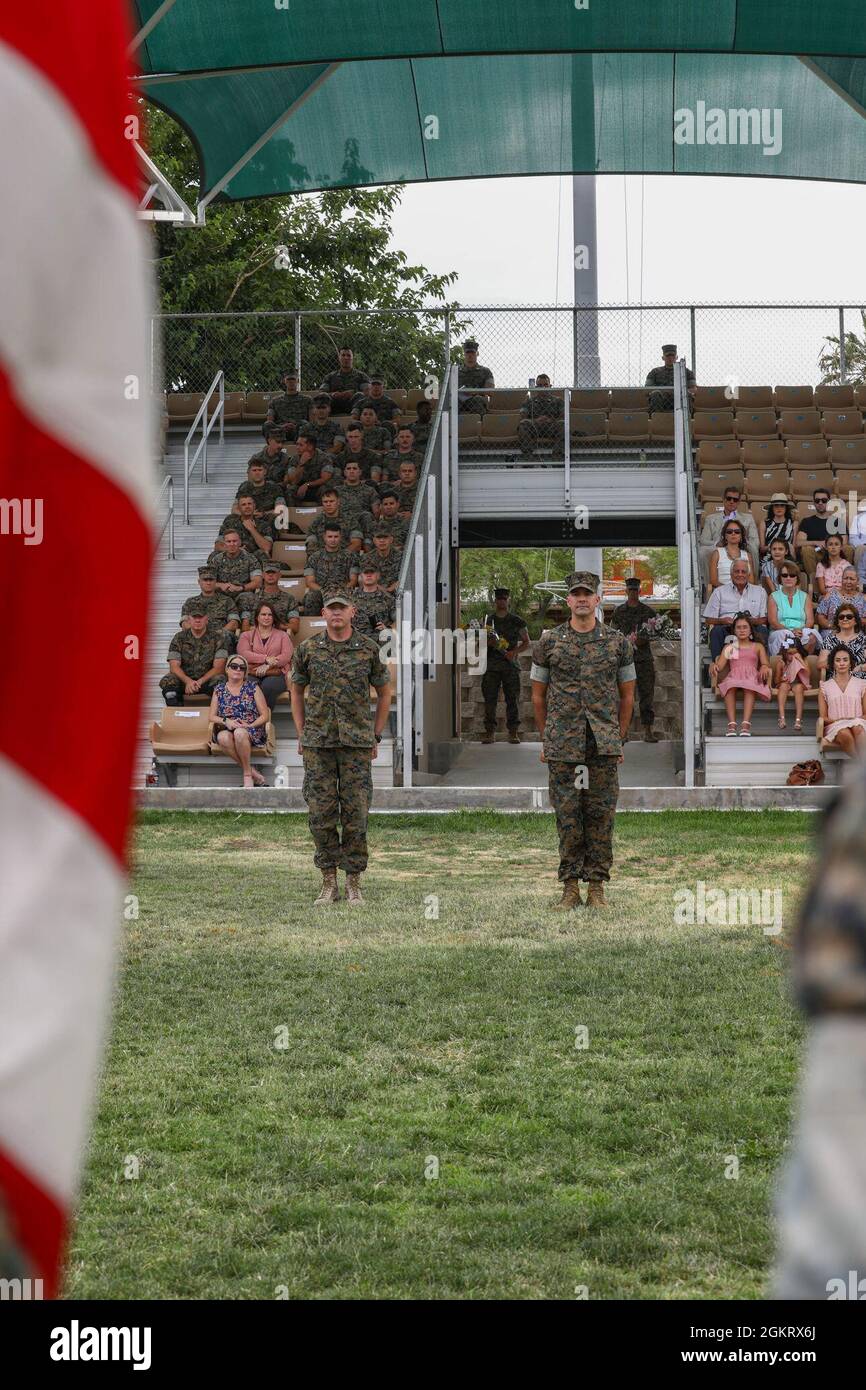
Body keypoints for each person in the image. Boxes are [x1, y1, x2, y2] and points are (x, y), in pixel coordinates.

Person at [530, 571, 636, 909]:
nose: (581, 599)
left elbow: (628, 696)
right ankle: (570, 887)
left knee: (600, 815)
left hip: (602, 743)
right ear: (567, 601)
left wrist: (618, 738)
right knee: (568, 815)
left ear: (597, 600)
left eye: (587, 594)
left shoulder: (617, 642)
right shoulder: (549, 642)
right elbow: (537, 696)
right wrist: (548, 739)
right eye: (575, 594)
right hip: (564, 743)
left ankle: (597, 889)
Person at [291, 591, 391, 905]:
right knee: (320, 815)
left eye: (341, 609)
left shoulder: (368, 649)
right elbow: (296, 691)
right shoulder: (308, 649)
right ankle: (328, 882)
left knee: (356, 815)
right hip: (318, 744)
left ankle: (354, 882)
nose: (336, 614)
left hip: (356, 745)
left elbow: (385, 693)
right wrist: (301, 732)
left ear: (352, 612)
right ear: (323, 613)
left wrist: (374, 735)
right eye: (331, 610)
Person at [609, 576, 660, 742]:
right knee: (626, 697)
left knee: (647, 696)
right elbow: (612, 633)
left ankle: (648, 731)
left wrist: (642, 640)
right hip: (625, 660)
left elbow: (656, 632)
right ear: (626, 591)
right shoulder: (619, 611)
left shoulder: (648, 611)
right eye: (630, 590)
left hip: (643, 659)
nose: (632, 593)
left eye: (635, 590)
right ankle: (624, 732)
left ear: (639, 591)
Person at [210, 654, 270, 788]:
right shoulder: (219, 689)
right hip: (227, 727)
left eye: (242, 668)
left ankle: (247, 775)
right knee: (223, 737)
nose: (238, 669)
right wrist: (227, 721)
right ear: (227, 669)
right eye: (234, 666)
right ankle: (252, 772)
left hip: (251, 728)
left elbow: (265, 715)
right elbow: (212, 716)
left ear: (245, 672)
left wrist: (250, 725)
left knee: (240, 733)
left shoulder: (253, 688)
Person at [480, 587, 530, 745]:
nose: (502, 601)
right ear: (495, 601)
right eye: (499, 599)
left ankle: (513, 733)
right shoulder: (488, 621)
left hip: (510, 666)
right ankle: (489, 733)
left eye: (504, 599)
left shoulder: (517, 621)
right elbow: (479, 643)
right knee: (489, 700)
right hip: (491, 666)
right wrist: (486, 642)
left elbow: (526, 642)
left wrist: (514, 652)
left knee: (512, 700)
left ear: (508, 600)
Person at [710, 614, 771, 737]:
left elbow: (765, 663)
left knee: (749, 687)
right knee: (729, 686)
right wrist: (713, 665)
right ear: (734, 630)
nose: (742, 630)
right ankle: (732, 724)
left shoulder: (757, 646)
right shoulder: (730, 647)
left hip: (751, 676)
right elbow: (720, 665)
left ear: (750, 630)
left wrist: (764, 666)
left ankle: (745, 723)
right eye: (738, 627)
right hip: (735, 676)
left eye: (745, 627)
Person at [160, 605, 228, 706]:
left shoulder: (218, 638)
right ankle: (175, 712)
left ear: (207, 619)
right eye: (194, 617)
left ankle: (217, 716)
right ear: (189, 620)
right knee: (168, 680)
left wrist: (199, 682)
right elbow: (174, 667)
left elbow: (219, 668)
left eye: (201, 617)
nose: (197, 620)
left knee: (221, 680)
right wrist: (188, 681)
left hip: (207, 681)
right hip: (184, 681)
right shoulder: (179, 638)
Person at [703, 558, 768, 659]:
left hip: (752, 628)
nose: (740, 574)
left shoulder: (760, 592)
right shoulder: (719, 591)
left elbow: (764, 619)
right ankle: (719, 666)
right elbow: (708, 619)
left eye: (743, 572)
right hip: (727, 627)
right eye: (737, 571)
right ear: (731, 574)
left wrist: (750, 622)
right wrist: (722, 620)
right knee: (716, 631)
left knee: (762, 630)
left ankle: (761, 667)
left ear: (749, 574)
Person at [237, 601, 294, 710]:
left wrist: (268, 665)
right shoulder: (246, 635)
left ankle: (264, 718)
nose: (267, 617)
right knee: (249, 685)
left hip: (276, 673)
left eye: (270, 615)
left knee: (269, 686)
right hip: (253, 672)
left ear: (273, 617)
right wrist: (266, 659)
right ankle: (250, 717)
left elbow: (286, 655)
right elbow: (243, 653)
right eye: (263, 614)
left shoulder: (283, 635)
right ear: (257, 617)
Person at [699, 485, 759, 582]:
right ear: (723, 499)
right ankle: (708, 584)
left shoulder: (748, 518)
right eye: (729, 498)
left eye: (735, 499)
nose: (731, 501)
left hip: (740, 545)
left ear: (739, 502)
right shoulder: (711, 518)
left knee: (753, 548)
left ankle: (754, 581)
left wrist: (742, 541)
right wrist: (716, 543)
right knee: (702, 552)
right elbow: (703, 540)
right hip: (718, 547)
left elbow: (755, 540)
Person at [796, 487, 852, 583]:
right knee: (806, 549)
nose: (820, 503)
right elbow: (798, 542)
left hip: (835, 551)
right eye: (817, 501)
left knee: (848, 548)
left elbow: (844, 542)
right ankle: (815, 581)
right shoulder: (807, 521)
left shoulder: (839, 521)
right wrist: (816, 542)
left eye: (824, 500)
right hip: (817, 551)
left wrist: (830, 546)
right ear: (814, 503)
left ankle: (844, 579)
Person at [819, 647, 866, 756]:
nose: (842, 663)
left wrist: (851, 720)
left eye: (845, 660)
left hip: (859, 722)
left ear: (850, 663)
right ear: (833, 663)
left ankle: (861, 768)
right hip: (835, 725)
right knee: (844, 732)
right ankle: (862, 767)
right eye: (838, 660)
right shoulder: (824, 687)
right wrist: (840, 720)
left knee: (858, 728)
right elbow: (823, 717)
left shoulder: (863, 684)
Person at [303, 524, 358, 613]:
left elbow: (353, 580)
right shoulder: (314, 557)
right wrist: (324, 591)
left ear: (340, 537)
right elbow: (309, 582)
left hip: (343, 591)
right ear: (324, 537)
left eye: (336, 536)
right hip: (321, 592)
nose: (333, 540)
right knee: (311, 596)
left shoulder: (350, 556)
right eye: (330, 536)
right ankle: (311, 625)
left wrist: (340, 591)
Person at [767, 563, 819, 658]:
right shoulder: (773, 596)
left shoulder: (805, 596)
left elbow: (810, 620)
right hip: (780, 631)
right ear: (780, 578)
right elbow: (773, 621)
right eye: (784, 575)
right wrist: (789, 631)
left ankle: (802, 661)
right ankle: (783, 663)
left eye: (792, 575)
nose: (788, 578)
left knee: (812, 637)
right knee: (785, 635)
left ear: (796, 578)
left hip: (800, 631)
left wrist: (800, 629)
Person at [180, 565, 240, 642]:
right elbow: (184, 624)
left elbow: (234, 623)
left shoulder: (227, 601)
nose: (208, 583)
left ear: (215, 582)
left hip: (220, 638)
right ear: (199, 582)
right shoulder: (190, 602)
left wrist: (217, 634)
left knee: (226, 636)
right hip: (197, 637)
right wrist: (199, 633)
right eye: (205, 580)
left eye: (211, 580)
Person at [239, 559, 300, 635]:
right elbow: (245, 628)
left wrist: (273, 626)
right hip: (255, 638)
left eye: (273, 572)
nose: (270, 575)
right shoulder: (250, 599)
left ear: (279, 575)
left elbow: (294, 627)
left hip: (278, 638)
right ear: (263, 575)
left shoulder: (290, 599)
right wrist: (263, 627)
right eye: (268, 572)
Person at [215, 493, 275, 564]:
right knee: (214, 555)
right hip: (232, 555)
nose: (247, 507)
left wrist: (252, 529)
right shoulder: (229, 523)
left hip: (254, 558)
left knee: (263, 554)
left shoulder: (264, 525)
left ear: (254, 506)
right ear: (239, 508)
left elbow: (267, 548)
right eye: (243, 505)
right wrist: (236, 550)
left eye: (249, 504)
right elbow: (218, 545)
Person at [305, 487, 364, 554]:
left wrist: (339, 557)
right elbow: (311, 546)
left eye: (331, 501)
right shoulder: (316, 522)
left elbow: (356, 544)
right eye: (325, 502)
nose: (328, 504)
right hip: (322, 560)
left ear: (338, 502)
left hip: (345, 560)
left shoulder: (351, 520)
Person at [206, 529, 263, 599]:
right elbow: (207, 582)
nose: (232, 544)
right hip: (222, 596)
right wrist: (221, 585)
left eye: (234, 541)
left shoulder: (250, 558)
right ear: (224, 544)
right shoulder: (216, 560)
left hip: (243, 594)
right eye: (229, 541)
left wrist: (241, 588)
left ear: (240, 542)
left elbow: (258, 582)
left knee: (248, 598)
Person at [517, 374, 564, 457]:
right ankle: (528, 456)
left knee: (563, 424)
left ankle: (557, 455)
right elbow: (523, 416)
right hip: (535, 427)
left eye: (546, 385)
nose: (543, 387)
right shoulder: (529, 401)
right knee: (523, 423)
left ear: (550, 386)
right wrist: (535, 421)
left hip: (551, 427)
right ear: (536, 387)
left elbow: (563, 416)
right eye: (540, 385)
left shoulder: (558, 400)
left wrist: (551, 420)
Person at [285, 433, 338, 505]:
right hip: (300, 488)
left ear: (310, 446)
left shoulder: (324, 457)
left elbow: (325, 478)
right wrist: (301, 464)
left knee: (326, 490)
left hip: (317, 487)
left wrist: (308, 484)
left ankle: (324, 514)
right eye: (297, 444)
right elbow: (293, 481)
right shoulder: (294, 459)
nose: (297, 447)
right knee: (290, 491)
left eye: (300, 445)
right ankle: (294, 514)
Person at [772, 635, 811, 732]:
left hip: (799, 683)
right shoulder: (781, 663)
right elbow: (776, 680)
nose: (792, 656)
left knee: (798, 688)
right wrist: (782, 679)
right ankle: (782, 717)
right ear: (784, 653)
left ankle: (798, 719)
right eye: (789, 653)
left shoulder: (802, 660)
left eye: (795, 653)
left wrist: (800, 660)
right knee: (783, 687)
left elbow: (808, 674)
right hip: (786, 683)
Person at [644, 343, 695, 414]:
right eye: (668, 356)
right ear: (663, 357)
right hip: (661, 399)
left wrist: (680, 392)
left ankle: (686, 420)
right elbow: (647, 390)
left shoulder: (686, 372)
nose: (670, 358)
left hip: (680, 399)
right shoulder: (655, 372)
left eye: (673, 356)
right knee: (655, 394)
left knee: (687, 394)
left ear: (676, 357)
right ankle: (657, 419)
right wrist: (663, 392)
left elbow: (693, 389)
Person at [818, 603, 866, 677]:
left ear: (855, 621)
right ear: (838, 622)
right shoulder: (830, 640)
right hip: (836, 678)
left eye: (849, 617)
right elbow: (820, 664)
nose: (845, 619)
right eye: (841, 617)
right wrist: (839, 663)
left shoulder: (863, 640)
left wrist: (861, 667)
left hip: (859, 678)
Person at [352, 558, 396, 637]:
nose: (369, 575)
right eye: (366, 573)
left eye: (372, 572)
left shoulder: (387, 598)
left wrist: (388, 628)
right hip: (357, 641)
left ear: (378, 575)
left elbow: (398, 620)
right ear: (361, 576)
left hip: (380, 639)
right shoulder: (351, 597)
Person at [708, 517, 755, 590]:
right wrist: (730, 590)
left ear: (741, 536)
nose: (733, 533)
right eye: (729, 531)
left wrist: (739, 590)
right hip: (723, 592)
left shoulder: (747, 555)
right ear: (725, 536)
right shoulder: (717, 554)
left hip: (743, 593)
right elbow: (713, 581)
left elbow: (751, 581)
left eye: (737, 532)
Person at [319, 347, 369, 413]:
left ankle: (355, 417)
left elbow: (367, 391)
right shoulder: (330, 376)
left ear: (352, 358)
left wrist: (353, 393)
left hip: (353, 405)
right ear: (339, 358)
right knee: (324, 397)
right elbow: (322, 392)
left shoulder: (361, 376)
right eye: (343, 355)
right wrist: (333, 394)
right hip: (334, 405)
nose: (346, 358)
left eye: (348, 355)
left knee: (360, 395)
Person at [266, 370, 312, 441]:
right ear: (284, 381)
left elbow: (312, 421)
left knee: (305, 424)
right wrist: (282, 426)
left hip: (300, 431)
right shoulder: (275, 401)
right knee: (267, 425)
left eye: (293, 379)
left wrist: (296, 426)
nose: (291, 382)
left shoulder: (307, 400)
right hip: (281, 431)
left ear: (298, 381)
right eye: (288, 379)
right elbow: (270, 420)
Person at [336, 458, 379, 529]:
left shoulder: (370, 490)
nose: (351, 471)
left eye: (354, 468)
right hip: (342, 525)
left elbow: (376, 512)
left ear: (360, 472)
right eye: (349, 469)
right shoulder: (336, 491)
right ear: (344, 472)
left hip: (363, 524)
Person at [458, 338, 494, 414]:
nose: (470, 355)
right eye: (468, 352)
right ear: (464, 353)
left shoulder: (485, 371)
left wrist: (474, 391)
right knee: (450, 401)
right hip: (459, 400)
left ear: (477, 353)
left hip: (476, 400)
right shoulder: (456, 371)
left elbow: (490, 391)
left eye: (473, 353)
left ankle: (478, 424)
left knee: (478, 400)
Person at [370, 525, 402, 591]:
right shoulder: (367, 558)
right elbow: (367, 579)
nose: (382, 540)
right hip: (374, 593)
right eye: (379, 538)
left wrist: (390, 589)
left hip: (397, 593)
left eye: (385, 537)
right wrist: (385, 591)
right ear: (374, 541)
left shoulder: (402, 557)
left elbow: (405, 578)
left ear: (391, 540)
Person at [816, 533, 848, 599]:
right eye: (830, 544)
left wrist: (840, 595)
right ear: (826, 547)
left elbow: (848, 586)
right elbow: (822, 590)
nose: (833, 547)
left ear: (841, 547)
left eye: (836, 544)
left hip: (843, 595)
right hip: (826, 596)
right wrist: (833, 595)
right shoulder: (821, 565)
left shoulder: (847, 565)